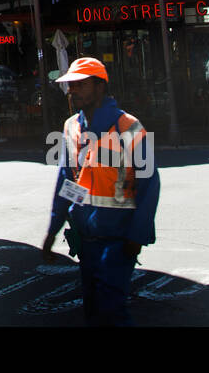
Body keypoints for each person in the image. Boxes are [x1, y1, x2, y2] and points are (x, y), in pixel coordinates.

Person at [41, 57, 160, 326]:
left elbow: (150, 184)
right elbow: (66, 182)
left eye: (80, 85)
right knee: (93, 309)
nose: (72, 91)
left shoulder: (128, 126)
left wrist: (137, 235)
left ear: (99, 86)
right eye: (70, 86)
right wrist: (53, 229)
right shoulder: (71, 126)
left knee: (111, 310)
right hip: (86, 238)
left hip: (118, 239)